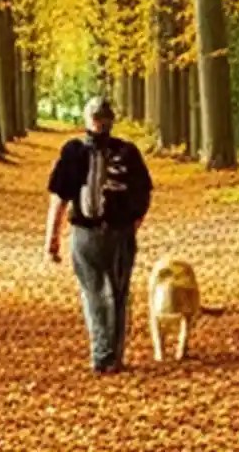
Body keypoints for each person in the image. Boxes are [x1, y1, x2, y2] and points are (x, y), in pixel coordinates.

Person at [44, 96, 153, 374]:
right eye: (100, 119)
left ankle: (106, 356)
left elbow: (60, 199)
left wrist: (52, 239)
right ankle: (109, 356)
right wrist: (132, 226)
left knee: (103, 294)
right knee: (111, 293)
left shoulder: (91, 152)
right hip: (103, 234)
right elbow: (143, 197)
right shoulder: (90, 153)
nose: (100, 124)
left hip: (100, 234)